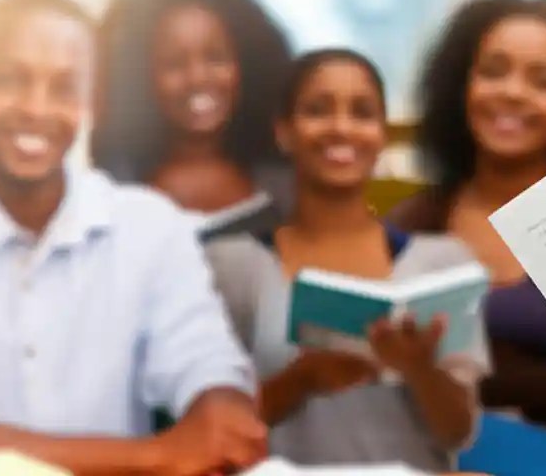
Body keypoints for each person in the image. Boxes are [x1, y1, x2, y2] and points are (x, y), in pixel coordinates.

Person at [0, 0, 266, 474]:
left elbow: (205, 360)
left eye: (64, 87)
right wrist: (157, 456)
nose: (36, 108)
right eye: (10, 81)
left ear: (92, 100)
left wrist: (218, 404)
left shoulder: (150, 226)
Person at [206, 48, 484, 470]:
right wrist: (301, 381)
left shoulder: (443, 263)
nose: (341, 128)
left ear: (381, 134)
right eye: (318, 110)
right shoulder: (233, 266)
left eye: (362, 112)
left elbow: (458, 432)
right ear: (284, 130)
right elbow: (209, 433)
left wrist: (419, 368)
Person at [387, 0, 546, 436]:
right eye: (493, 72)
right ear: (462, 86)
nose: (512, 92)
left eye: (543, 81)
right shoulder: (411, 224)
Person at [92, 0, 294, 240]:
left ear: (246, 64)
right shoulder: (112, 195)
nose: (198, 78)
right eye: (174, 63)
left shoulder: (289, 188)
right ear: (142, 76)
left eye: (215, 58)